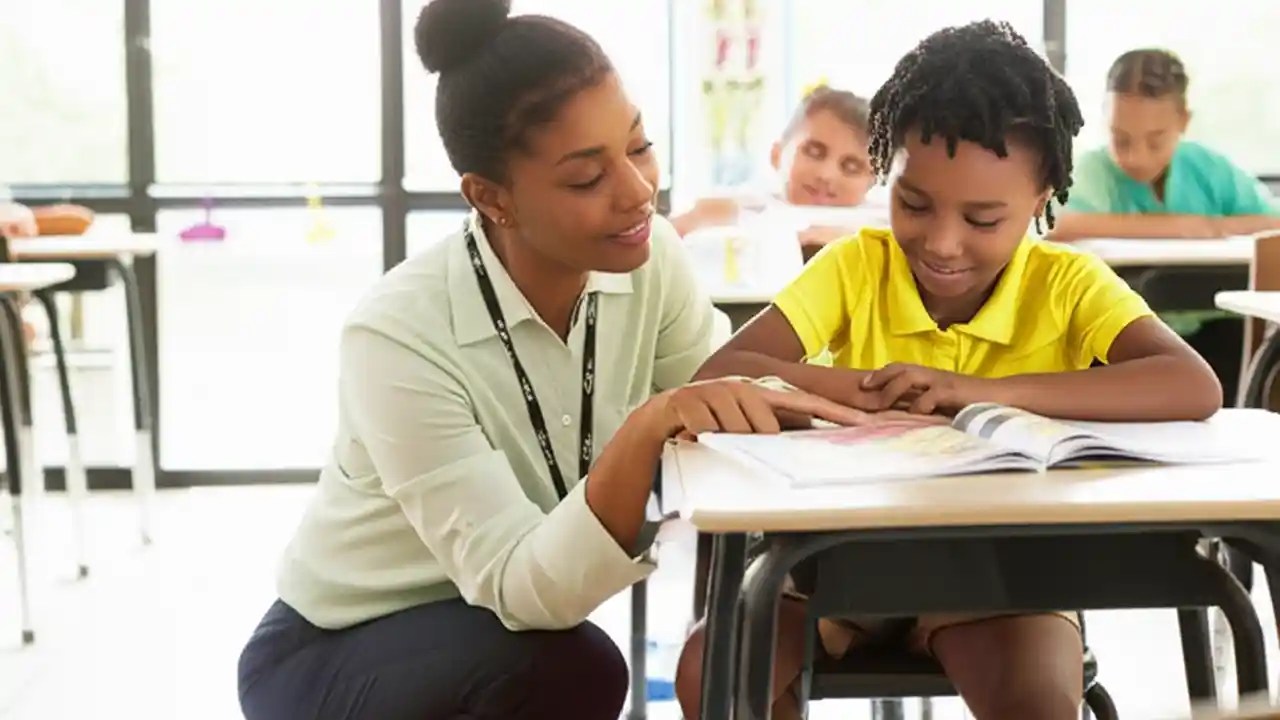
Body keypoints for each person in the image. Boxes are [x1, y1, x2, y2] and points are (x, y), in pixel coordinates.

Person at [234, 1, 888, 719]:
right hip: (338, 645)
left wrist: (880, 399)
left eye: (639, 147)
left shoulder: (651, 261)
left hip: (498, 643)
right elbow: (525, 589)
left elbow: (726, 394)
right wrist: (649, 425)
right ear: (492, 198)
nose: (638, 191)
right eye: (586, 179)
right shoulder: (396, 333)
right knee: (576, 670)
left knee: (575, 666)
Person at [674, 21, 1222, 720]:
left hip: (1002, 581)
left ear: (1042, 196)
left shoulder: (1067, 283)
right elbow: (721, 372)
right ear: (888, 173)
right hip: (840, 569)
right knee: (711, 674)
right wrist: (867, 394)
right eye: (914, 204)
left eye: (983, 219)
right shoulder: (855, 267)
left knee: (1036, 704)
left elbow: (1190, 383)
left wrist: (977, 395)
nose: (942, 242)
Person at [1052, 48, 1280, 241]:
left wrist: (1213, 228)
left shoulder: (1208, 168)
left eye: (1155, 142)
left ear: (1183, 121)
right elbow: (1059, 226)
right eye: (1121, 140)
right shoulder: (1093, 171)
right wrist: (1185, 227)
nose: (1137, 158)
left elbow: (1273, 222)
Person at [671, 84, 880, 256]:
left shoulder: (881, 230)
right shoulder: (740, 210)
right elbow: (662, 240)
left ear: (872, 181)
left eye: (851, 167)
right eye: (814, 153)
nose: (826, 175)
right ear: (777, 155)